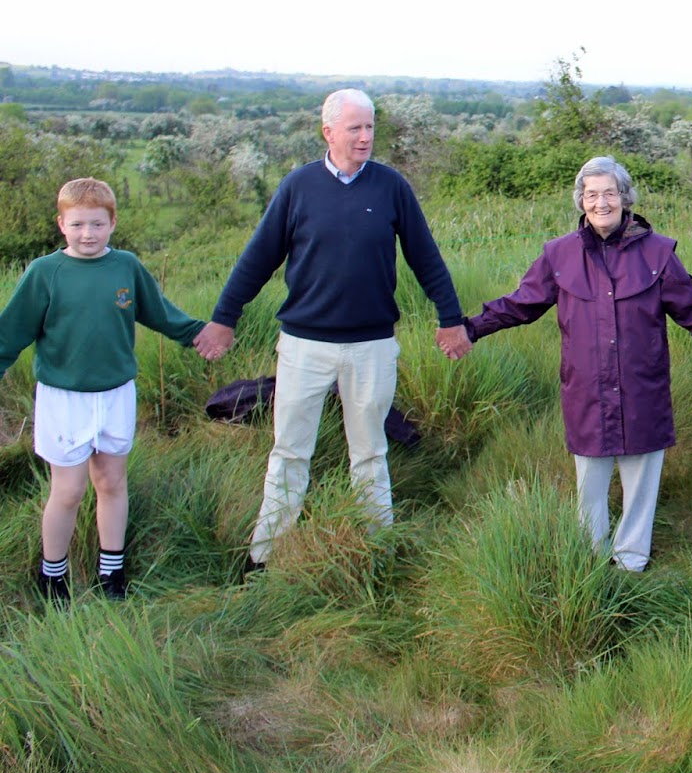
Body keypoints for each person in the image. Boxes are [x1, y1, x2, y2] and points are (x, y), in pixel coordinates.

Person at [194, 89, 470, 573]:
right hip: (304, 345)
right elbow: (258, 259)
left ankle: (376, 546)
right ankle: (266, 555)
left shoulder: (391, 187)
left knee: (370, 452)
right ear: (328, 132)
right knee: (289, 451)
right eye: (354, 128)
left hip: (372, 346)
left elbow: (426, 257)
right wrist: (224, 317)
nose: (365, 137)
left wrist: (451, 320)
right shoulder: (298, 187)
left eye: (370, 128)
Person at [462, 156, 692, 571]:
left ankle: (631, 561)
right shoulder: (559, 255)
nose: (601, 203)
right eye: (591, 195)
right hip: (586, 392)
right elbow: (520, 304)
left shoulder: (658, 253)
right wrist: (469, 329)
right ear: (581, 201)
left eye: (609, 193)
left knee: (641, 481)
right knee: (589, 484)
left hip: (640, 389)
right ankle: (590, 560)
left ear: (624, 197)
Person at [0, 179, 210, 604]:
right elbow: (12, 332)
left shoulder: (126, 267)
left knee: (112, 481)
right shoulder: (45, 272)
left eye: (97, 224)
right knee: (69, 490)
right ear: (61, 224)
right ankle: (53, 576)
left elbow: (160, 312)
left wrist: (200, 336)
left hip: (116, 393)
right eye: (77, 225)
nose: (88, 234)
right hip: (64, 397)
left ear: (112, 222)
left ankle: (110, 573)